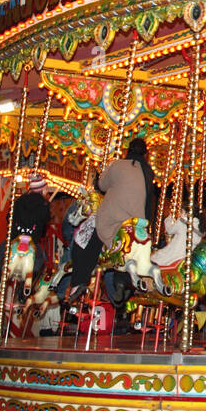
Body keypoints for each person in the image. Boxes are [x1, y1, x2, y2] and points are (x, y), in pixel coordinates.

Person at [67, 138, 157, 332]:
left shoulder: (118, 165)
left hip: (114, 216)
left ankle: (80, 281)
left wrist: (103, 174)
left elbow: (102, 184)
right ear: (145, 154)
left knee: (91, 240)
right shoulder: (148, 172)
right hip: (138, 221)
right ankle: (121, 283)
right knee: (125, 253)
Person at [0, 173, 52, 299]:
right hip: (32, 240)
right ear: (41, 189)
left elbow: (9, 217)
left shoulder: (19, 200)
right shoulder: (44, 204)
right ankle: (24, 290)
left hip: (15, 238)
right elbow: (45, 220)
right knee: (40, 261)